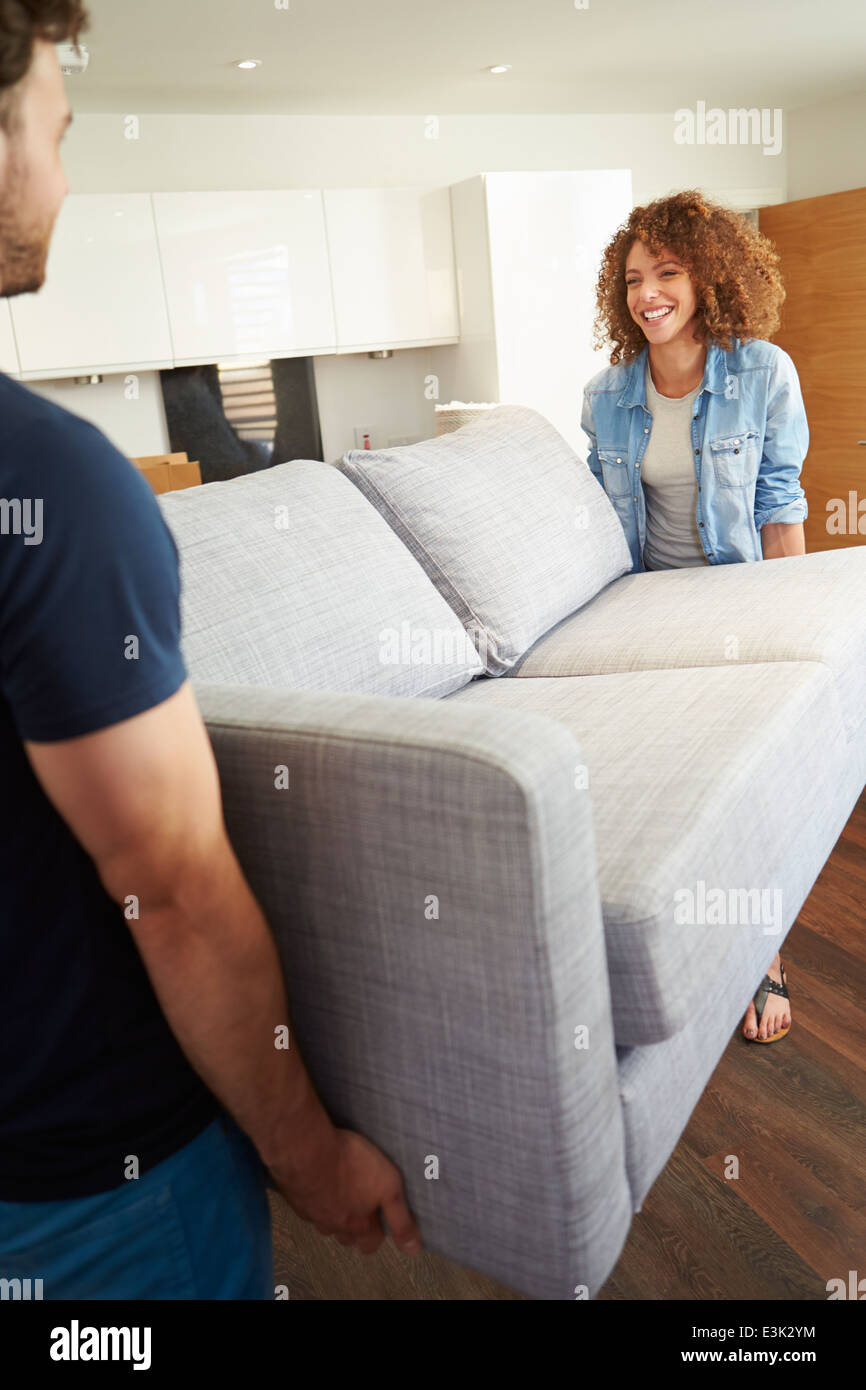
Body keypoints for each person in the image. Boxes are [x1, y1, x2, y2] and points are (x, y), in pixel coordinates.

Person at [0, 2, 421, 1299]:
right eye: (53, 131)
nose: (63, 175)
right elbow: (174, 889)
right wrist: (305, 1154)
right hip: (93, 1194)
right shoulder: (52, 486)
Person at [580, 189, 806, 1048]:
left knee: (747, 790)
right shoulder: (605, 395)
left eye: (668, 272)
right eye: (635, 277)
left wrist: (797, 636)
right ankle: (671, 953)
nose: (649, 294)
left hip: (738, 607)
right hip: (643, 613)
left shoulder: (762, 372)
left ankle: (766, 956)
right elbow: (600, 524)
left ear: (709, 277)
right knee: (667, 795)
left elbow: (780, 506)